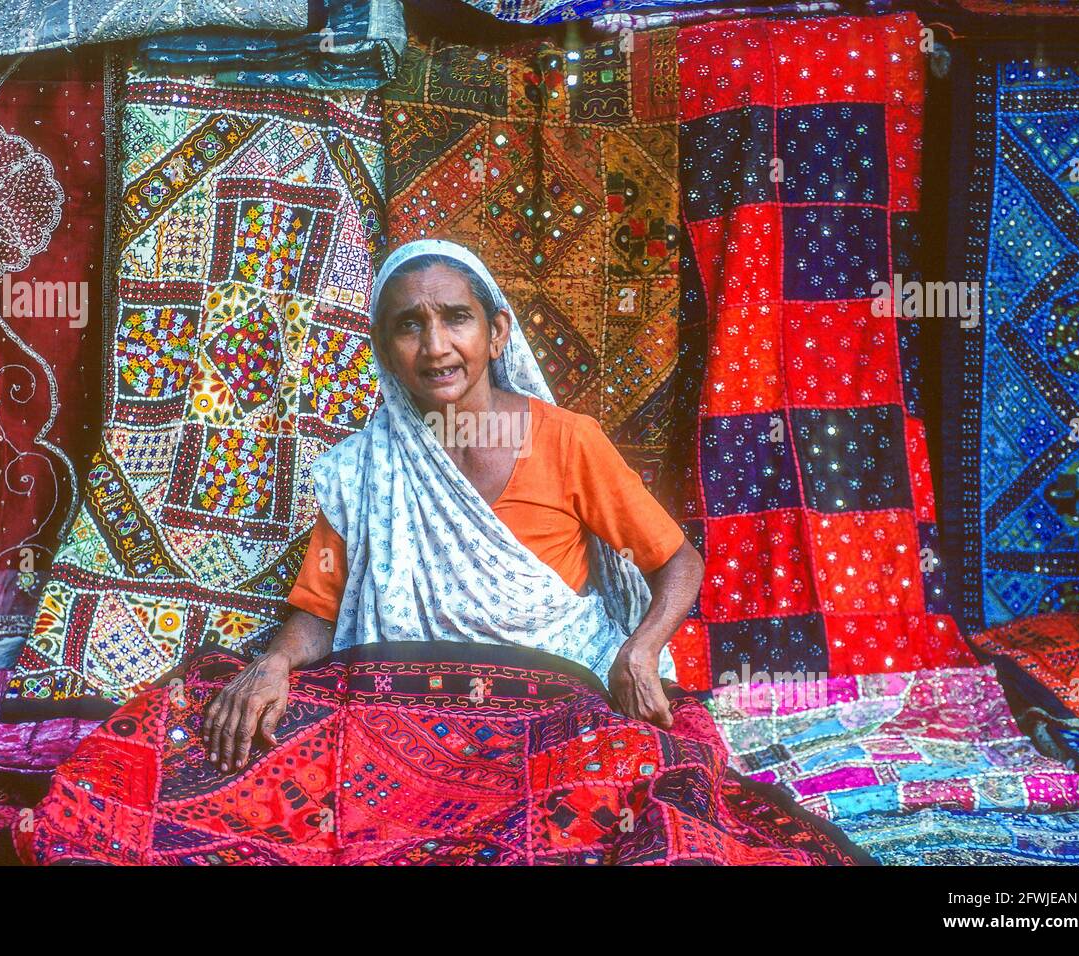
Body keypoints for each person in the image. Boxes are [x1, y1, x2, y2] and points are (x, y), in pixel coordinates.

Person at [203, 239, 704, 773]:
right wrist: (275, 660)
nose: (436, 346)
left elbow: (677, 560)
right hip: (411, 712)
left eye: (458, 317)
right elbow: (322, 612)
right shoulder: (364, 470)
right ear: (384, 348)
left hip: (558, 697)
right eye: (409, 325)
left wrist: (641, 650)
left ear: (497, 334)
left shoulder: (566, 441)